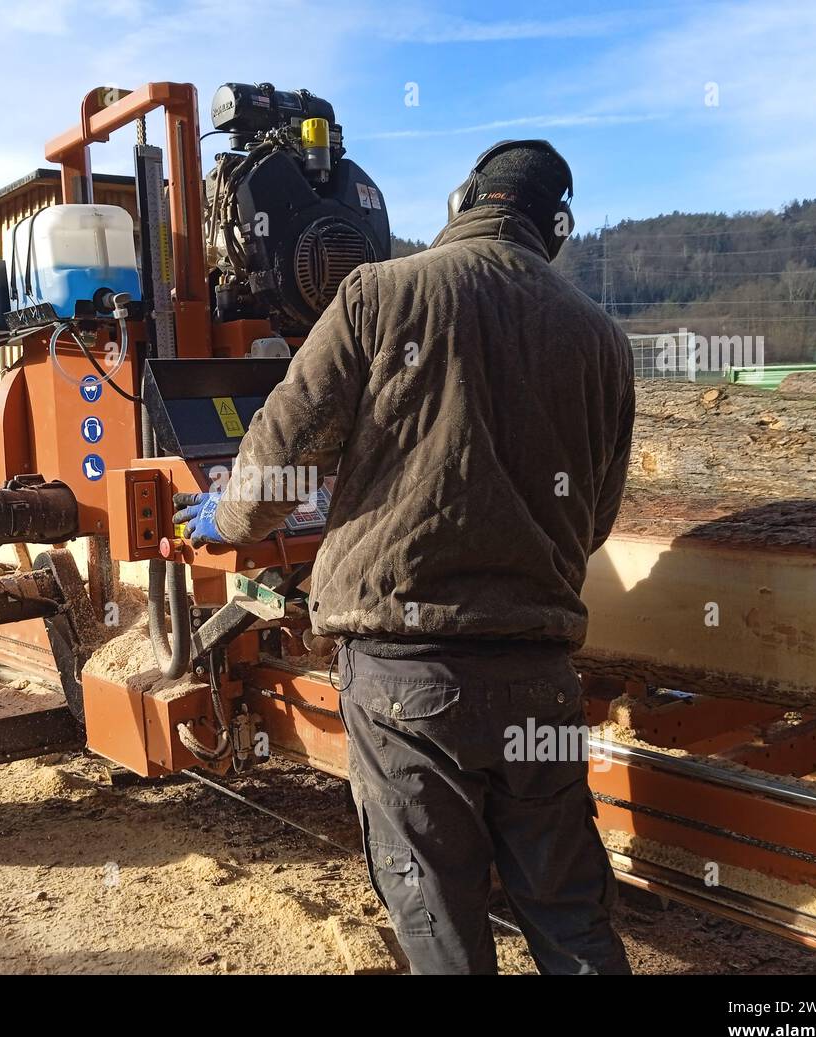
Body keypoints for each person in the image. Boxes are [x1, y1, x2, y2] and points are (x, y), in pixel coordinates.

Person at [173, 141, 635, 975]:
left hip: (405, 679)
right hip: (539, 675)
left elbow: (282, 456)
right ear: (552, 229)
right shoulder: (599, 338)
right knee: (571, 916)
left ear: (462, 202)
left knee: (439, 917)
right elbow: (594, 520)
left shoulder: (379, 294)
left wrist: (226, 516)